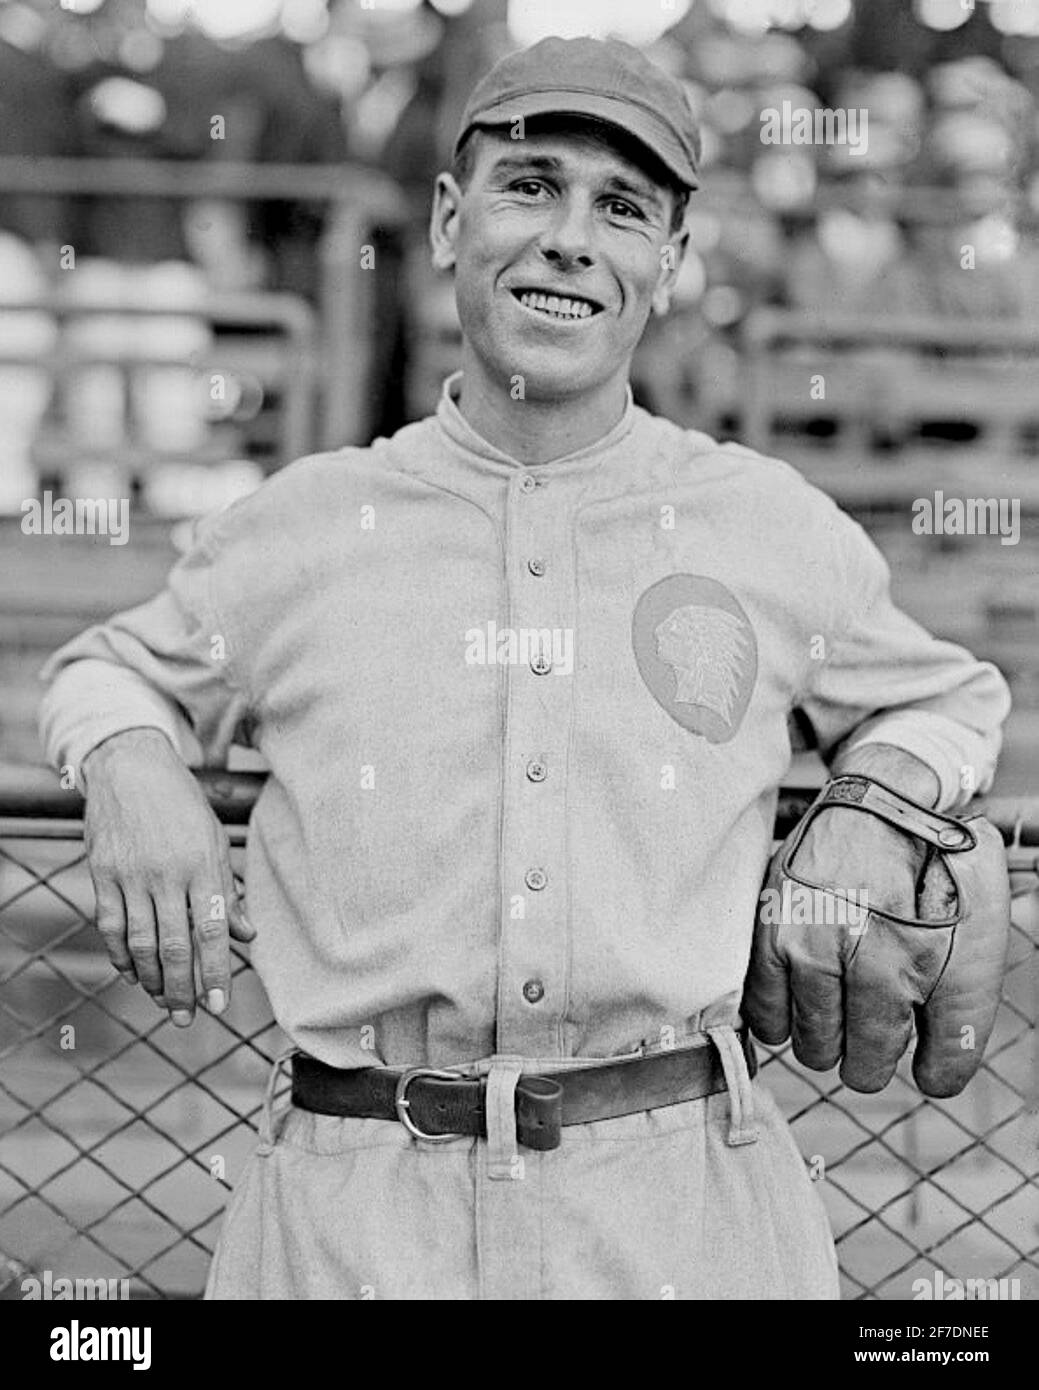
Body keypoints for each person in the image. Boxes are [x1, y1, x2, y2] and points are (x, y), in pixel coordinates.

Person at [38, 37, 1011, 1301]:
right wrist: (126, 757)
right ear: (448, 221)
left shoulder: (763, 523)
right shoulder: (306, 522)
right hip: (351, 1211)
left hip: (685, 1208)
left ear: (670, 261)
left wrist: (873, 808)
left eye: (620, 208)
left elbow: (947, 693)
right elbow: (104, 671)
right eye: (529, 186)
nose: (568, 238)